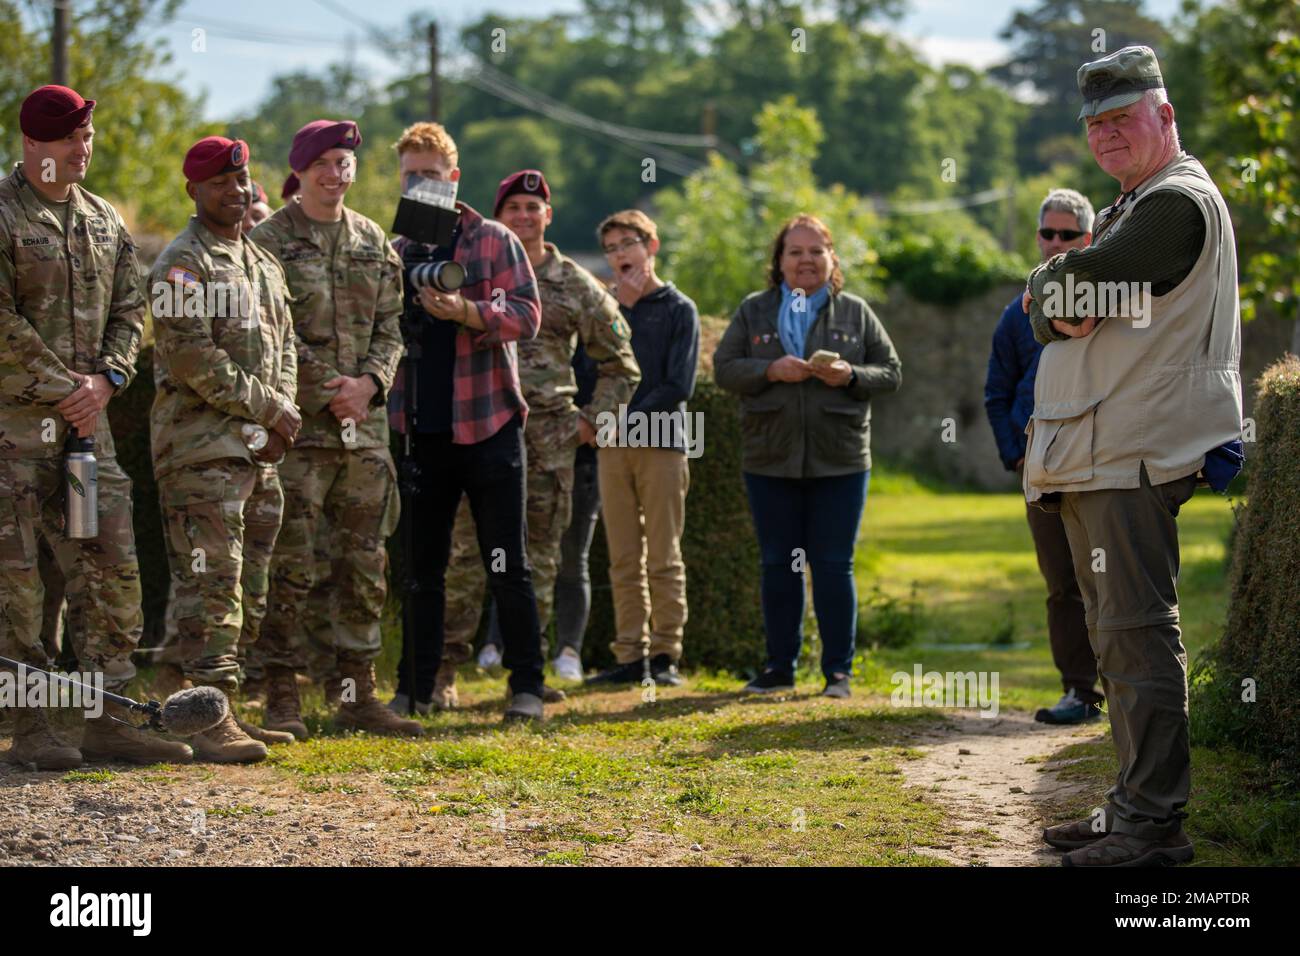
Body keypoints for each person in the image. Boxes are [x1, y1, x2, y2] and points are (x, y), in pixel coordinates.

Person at [1025, 46, 1243, 867]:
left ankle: (1154, 828)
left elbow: (1064, 292)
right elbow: (1066, 296)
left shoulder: (1174, 203)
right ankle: (1131, 809)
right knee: (1117, 639)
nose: (1108, 135)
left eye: (1123, 118)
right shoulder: (1134, 202)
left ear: (1165, 115)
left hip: (1133, 453)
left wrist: (1052, 287)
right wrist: (1060, 290)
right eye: (1096, 124)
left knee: (1136, 635)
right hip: (1102, 449)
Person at [0, 85, 189, 767]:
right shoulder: (3, 213)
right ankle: (30, 729)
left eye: (88, 137)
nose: (83, 149)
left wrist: (108, 379)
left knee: (109, 564)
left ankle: (106, 714)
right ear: (32, 144)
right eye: (71, 138)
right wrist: (65, 388)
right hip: (15, 436)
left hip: (89, 435)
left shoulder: (103, 220)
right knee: (16, 586)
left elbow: (130, 311)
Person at [422, 169, 639, 711]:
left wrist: (592, 422)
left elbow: (622, 365)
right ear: (499, 217)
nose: (523, 215)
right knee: (468, 556)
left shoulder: (576, 285)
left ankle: (529, 674)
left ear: (549, 215)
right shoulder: (471, 269)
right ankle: (443, 669)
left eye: (532, 207)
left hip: (547, 436)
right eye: (512, 207)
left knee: (539, 559)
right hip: (482, 428)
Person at [251, 119, 419, 739]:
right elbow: (269, 335)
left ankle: (355, 694)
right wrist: (333, 388)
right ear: (301, 170)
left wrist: (371, 384)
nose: (335, 173)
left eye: (344, 162)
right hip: (300, 430)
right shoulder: (267, 241)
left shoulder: (374, 239)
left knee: (364, 563)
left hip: (364, 433)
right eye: (323, 162)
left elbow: (392, 328)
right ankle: (280, 695)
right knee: (290, 565)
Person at [383, 123, 548, 723]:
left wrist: (468, 311)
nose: (420, 185)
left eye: (430, 175)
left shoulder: (493, 238)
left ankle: (527, 687)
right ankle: (413, 690)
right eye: (410, 176)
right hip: (421, 427)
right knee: (420, 571)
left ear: (453, 178)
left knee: (507, 561)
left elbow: (528, 315)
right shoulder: (397, 249)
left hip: (488, 424)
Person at [150, 136, 301, 761]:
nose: (236, 193)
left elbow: (287, 347)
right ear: (194, 191)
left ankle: (221, 708)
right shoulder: (181, 264)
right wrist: (271, 407)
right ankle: (207, 719)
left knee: (251, 588)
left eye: (242, 182)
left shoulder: (262, 262)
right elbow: (192, 359)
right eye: (220, 184)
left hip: (257, 454)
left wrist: (280, 416)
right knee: (212, 585)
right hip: (200, 452)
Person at [714, 214, 901, 698]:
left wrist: (852, 376)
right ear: (779, 262)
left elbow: (892, 372)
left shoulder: (855, 312)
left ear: (832, 258)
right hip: (769, 459)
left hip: (839, 461)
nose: (805, 260)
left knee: (834, 564)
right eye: (794, 252)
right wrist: (770, 369)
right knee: (779, 563)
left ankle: (838, 673)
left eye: (816, 250)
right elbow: (725, 370)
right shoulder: (754, 310)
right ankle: (780, 668)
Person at [985, 188, 1101, 725]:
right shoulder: (1017, 312)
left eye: (1068, 235)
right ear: (1038, 236)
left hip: (1101, 457)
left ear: (1089, 239)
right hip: (1039, 464)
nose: (1056, 243)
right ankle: (1078, 691)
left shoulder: (1109, 301)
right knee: (1061, 583)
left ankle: (1126, 693)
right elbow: (997, 390)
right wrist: (1015, 454)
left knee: (1110, 578)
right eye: (1048, 233)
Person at [585, 210, 699, 688]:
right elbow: (589, 371)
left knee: (663, 554)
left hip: (664, 442)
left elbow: (678, 384)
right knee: (622, 554)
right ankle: (630, 654)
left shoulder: (679, 309)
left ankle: (666, 655)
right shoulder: (604, 310)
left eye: (627, 244)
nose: (619, 255)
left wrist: (623, 417)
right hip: (613, 444)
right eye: (611, 249)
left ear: (650, 247)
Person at [480, 345, 604, 682]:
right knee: (511, 556)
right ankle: (497, 644)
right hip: (525, 461)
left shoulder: (590, 326)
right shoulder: (532, 333)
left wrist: (588, 424)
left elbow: (618, 379)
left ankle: (568, 651)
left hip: (581, 466)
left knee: (571, 560)